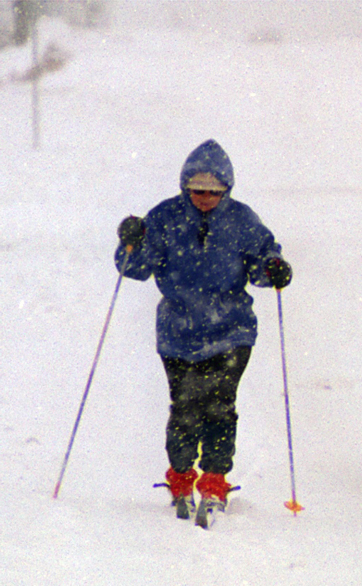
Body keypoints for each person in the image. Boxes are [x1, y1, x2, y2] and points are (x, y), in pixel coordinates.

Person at [116, 139, 292, 521]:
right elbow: (136, 268)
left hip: (232, 330)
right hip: (178, 332)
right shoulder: (165, 219)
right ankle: (181, 477)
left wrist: (274, 268)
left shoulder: (242, 220)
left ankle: (214, 480)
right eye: (198, 190)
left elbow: (263, 259)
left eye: (215, 192)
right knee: (185, 408)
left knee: (220, 405)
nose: (206, 198)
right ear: (185, 187)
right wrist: (130, 242)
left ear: (227, 189)